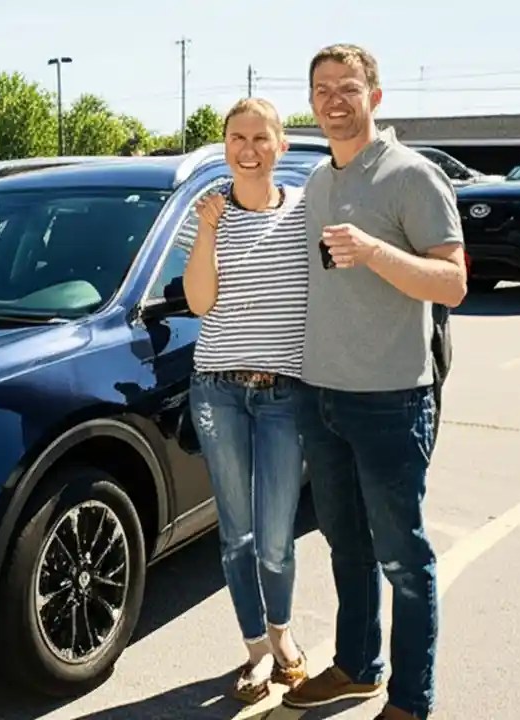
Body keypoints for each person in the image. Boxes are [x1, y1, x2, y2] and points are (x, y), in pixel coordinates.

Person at [281, 44, 466, 720]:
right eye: (322, 88)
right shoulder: (318, 183)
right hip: (322, 396)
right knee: (346, 547)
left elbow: (453, 281)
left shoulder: (411, 177)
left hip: (391, 401)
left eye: (348, 87)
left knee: (403, 559)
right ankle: (357, 666)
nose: (334, 99)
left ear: (375, 98)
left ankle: (410, 700)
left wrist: (376, 250)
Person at [182, 97, 311, 704]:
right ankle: (256, 649)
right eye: (238, 137)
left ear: (281, 145)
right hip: (218, 391)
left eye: (262, 137)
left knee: (277, 534)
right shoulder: (205, 214)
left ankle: (283, 635)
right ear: (225, 145)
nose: (250, 147)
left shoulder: (305, 211)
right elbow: (201, 303)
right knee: (236, 534)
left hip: (285, 393)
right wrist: (208, 228)